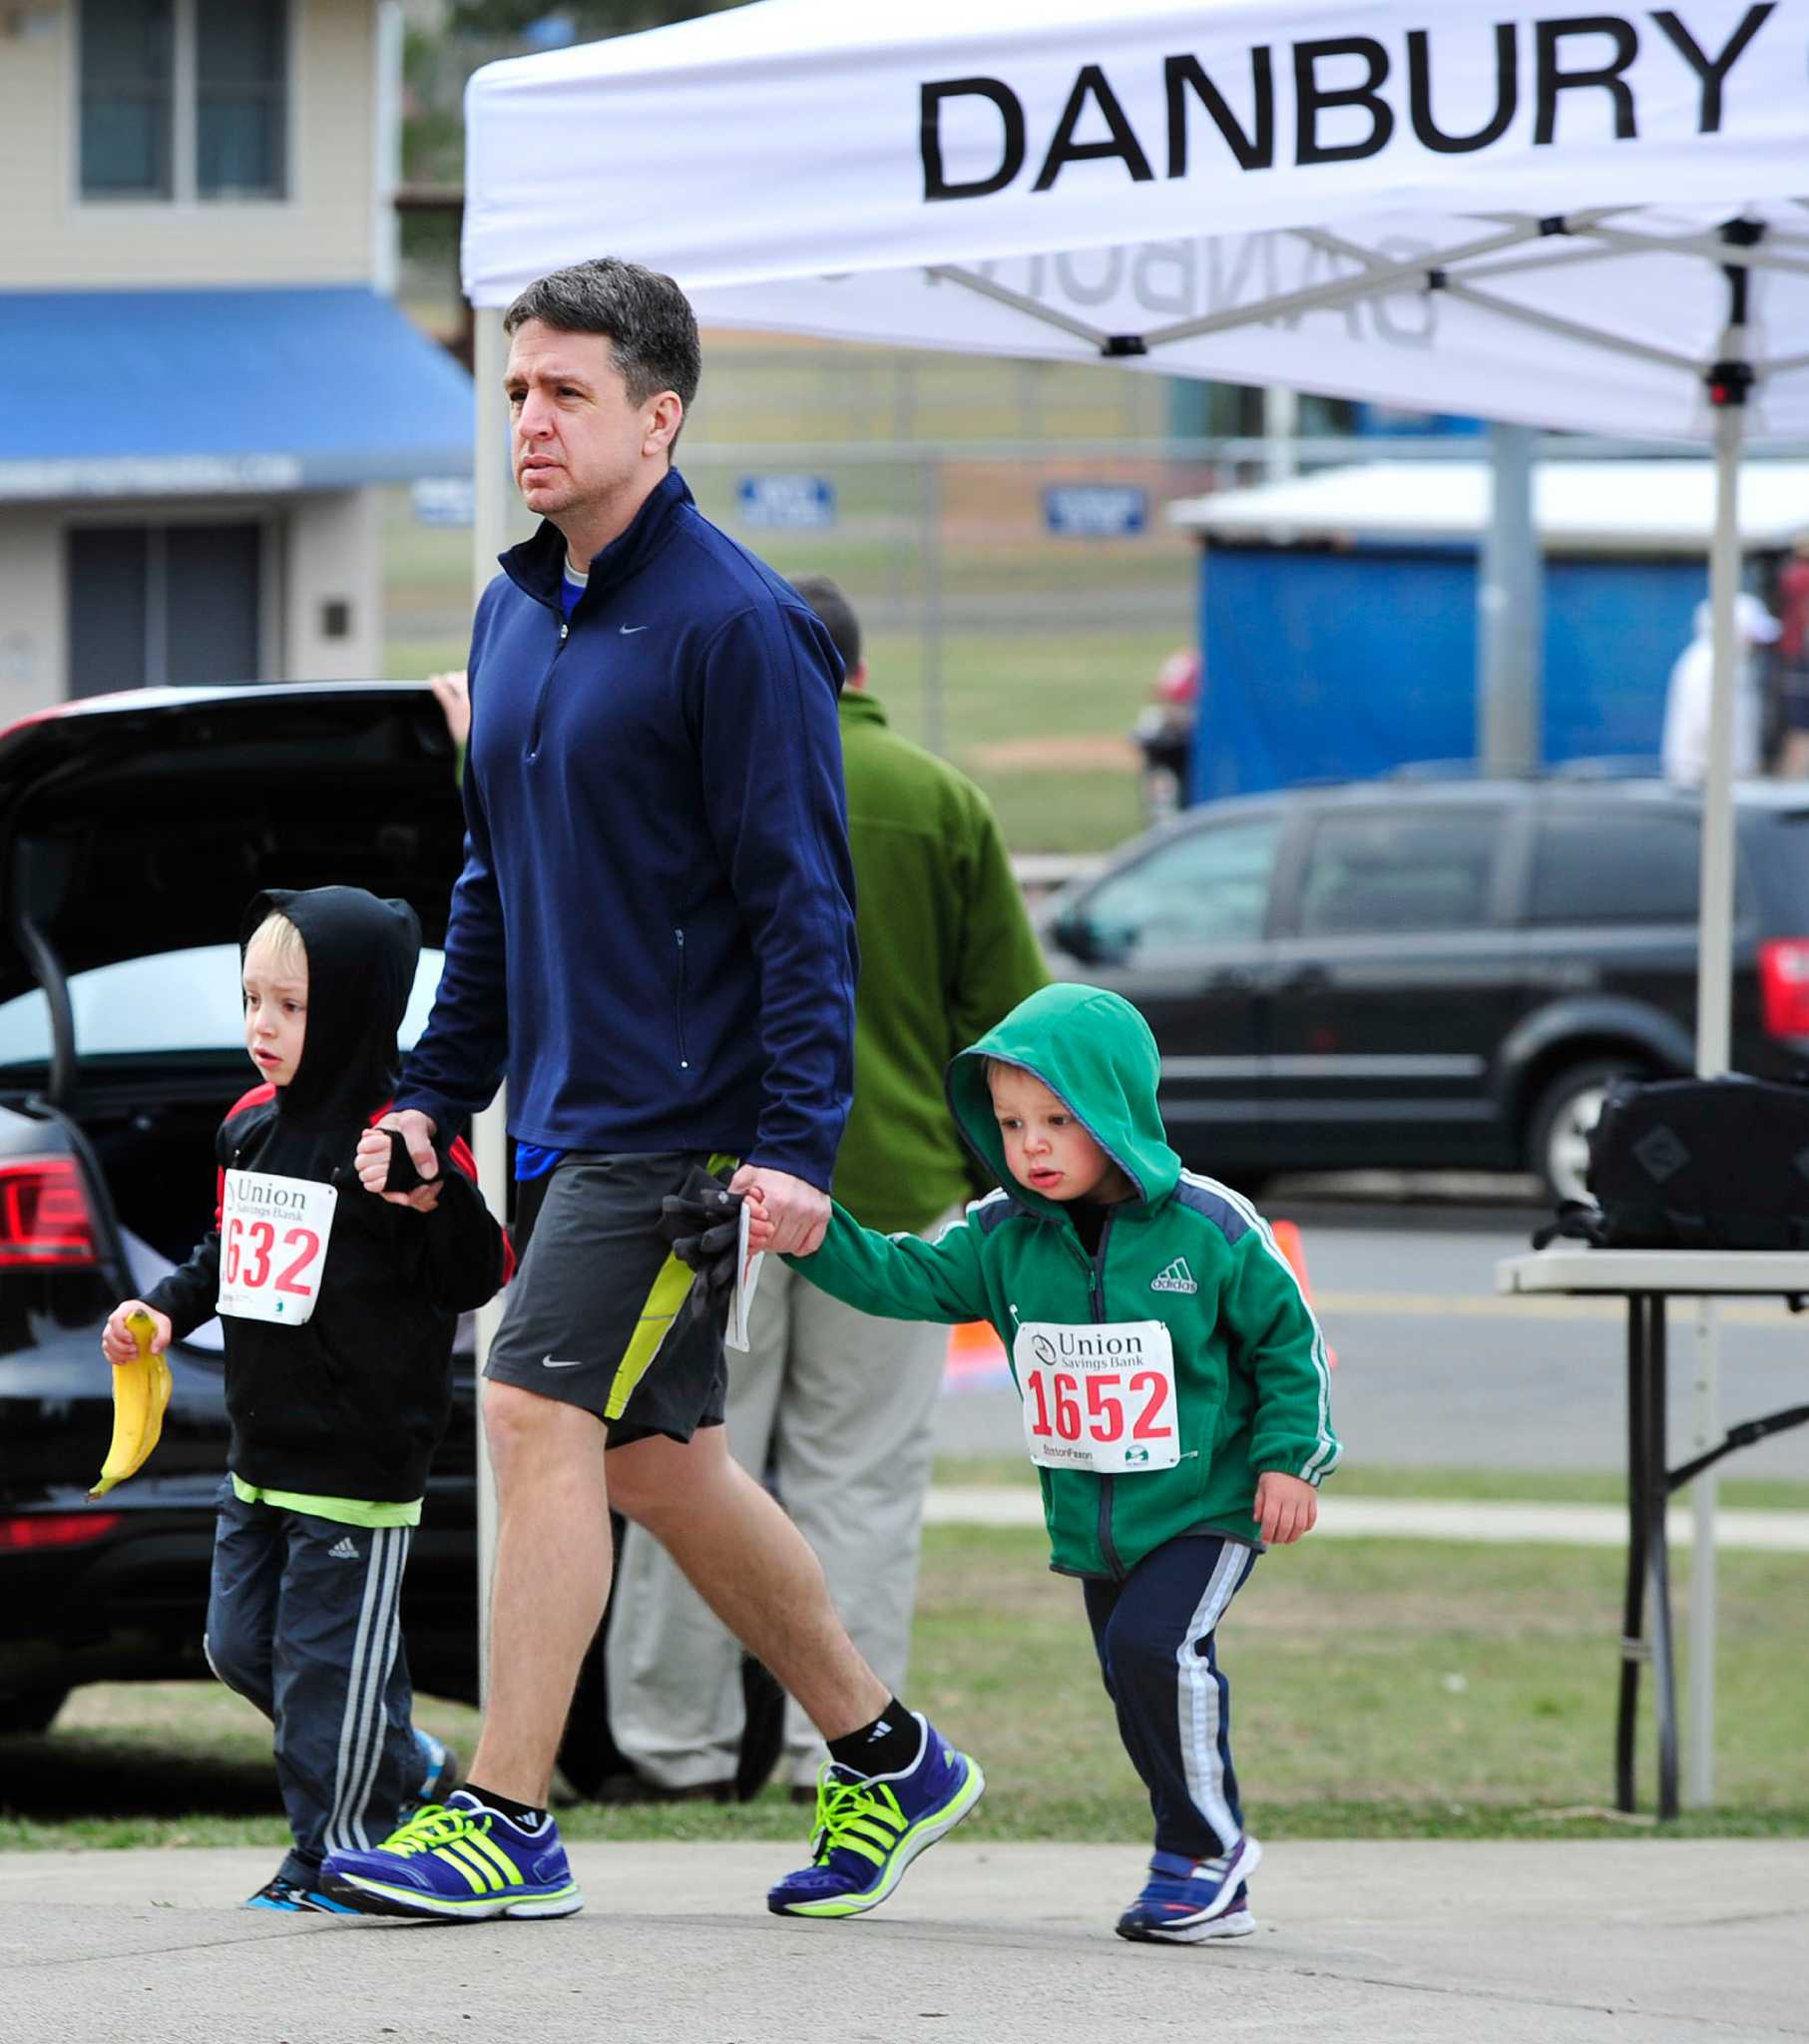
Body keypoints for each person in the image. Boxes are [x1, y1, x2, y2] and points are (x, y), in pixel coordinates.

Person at [319, 257, 982, 1923]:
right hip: (553, 1118)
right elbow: (494, 890)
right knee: (656, 1461)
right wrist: (425, 1089)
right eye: (515, 392)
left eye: (564, 394)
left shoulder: (736, 626)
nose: (528, 421)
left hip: (677, 1130)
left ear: (659, 416)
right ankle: (889, 1752)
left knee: (533, 1411)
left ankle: (504, 1814)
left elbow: (801, 911)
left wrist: (792, 1149)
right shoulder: (512, 609)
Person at [762, 981, 1339, 1945]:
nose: (1031, 1145)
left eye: (1058, 1121)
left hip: (1209, 1502)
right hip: (1096, 1523)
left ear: (1115, 1111)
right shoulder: (1000, 1237)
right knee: (1133, 1673)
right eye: (1011, 1122)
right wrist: (812, 1236)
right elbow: (904, 1279)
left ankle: (1209, 1855)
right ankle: (1183, 1854)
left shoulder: (1210, 1228)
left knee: (1159, 1651)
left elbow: (1289, 1346)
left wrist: (1289, 1461)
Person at [606, 574, 1048, 1801]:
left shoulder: (702, 783)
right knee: (861, 1477)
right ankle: (836, 1750)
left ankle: (671, 1745)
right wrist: (968, 1170)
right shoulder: (940, 801)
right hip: (900, 1198)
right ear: (859, 668)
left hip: (712, 1195)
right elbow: (1010, 1026)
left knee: (685, 1459)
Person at [103, 889, 509, 1912]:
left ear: (360, 1008)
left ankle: (330, 1853)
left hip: (359, 1465)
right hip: (260, 1452)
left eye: (289, 1004)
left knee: (325, 1680)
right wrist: (158, 1311)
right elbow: (223, 1252)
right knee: (238, 1645)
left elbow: (479, 1267)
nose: (262, 1027)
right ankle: (405, 1753)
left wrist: (434, 1194)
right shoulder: (246, 1125)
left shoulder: (402, 1137)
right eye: (251, 999)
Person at [1661, 592, 1781, 786]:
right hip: (1704, 781)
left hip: (1724, 779)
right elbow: (1706, 724)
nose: (1756, 643)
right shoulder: (1708, 665)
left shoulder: (1731, 663)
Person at [1774, 537, 1809, 778]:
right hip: (1800, 654)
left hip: (1793, 653)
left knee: (1797, 724)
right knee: (1800, 726)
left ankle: (1793, 772)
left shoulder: (1790, 574)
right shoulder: (1801, 577)